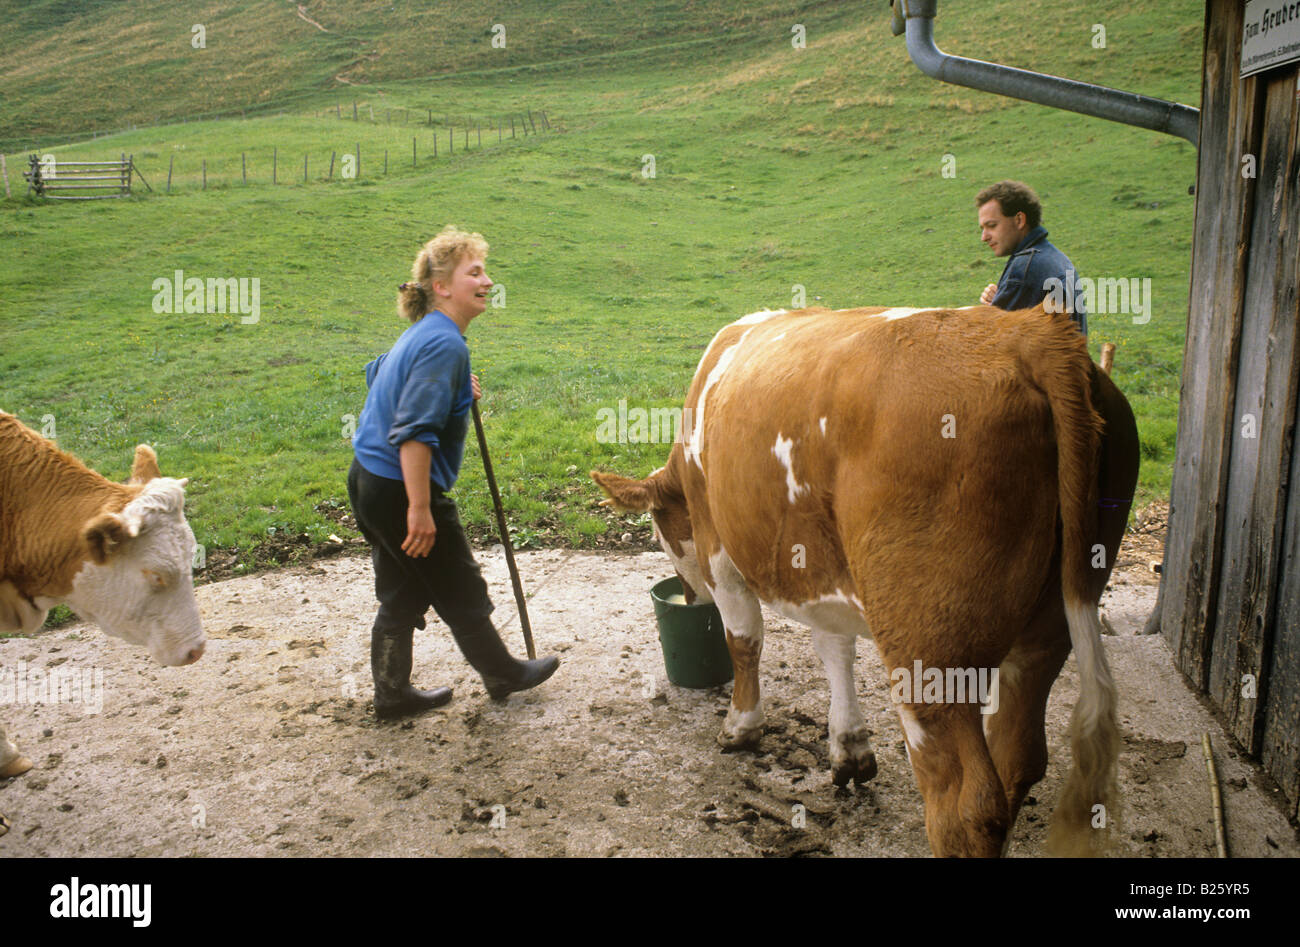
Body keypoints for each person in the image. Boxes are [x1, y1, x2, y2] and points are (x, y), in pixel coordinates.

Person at [347, 225, 559, 720]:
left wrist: (456, 386)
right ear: (441, 286)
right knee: (458, 583)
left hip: (368, 481)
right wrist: (420, 508)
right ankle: (502, 673)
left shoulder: (425, 333)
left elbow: (379, 371)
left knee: (403, 587)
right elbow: (414, 433)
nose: (487, 281)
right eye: (475, 272)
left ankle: (392, 693)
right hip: (402, 488)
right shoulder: (445, 344)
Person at [976, 180, 1087, 336]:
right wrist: (997, 303)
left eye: (992, 225)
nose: (984, 237)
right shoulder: (1058, 259)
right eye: (983, 228)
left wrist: (990, 310)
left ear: (1019, 220)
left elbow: (994, 339)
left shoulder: (1026, 267)